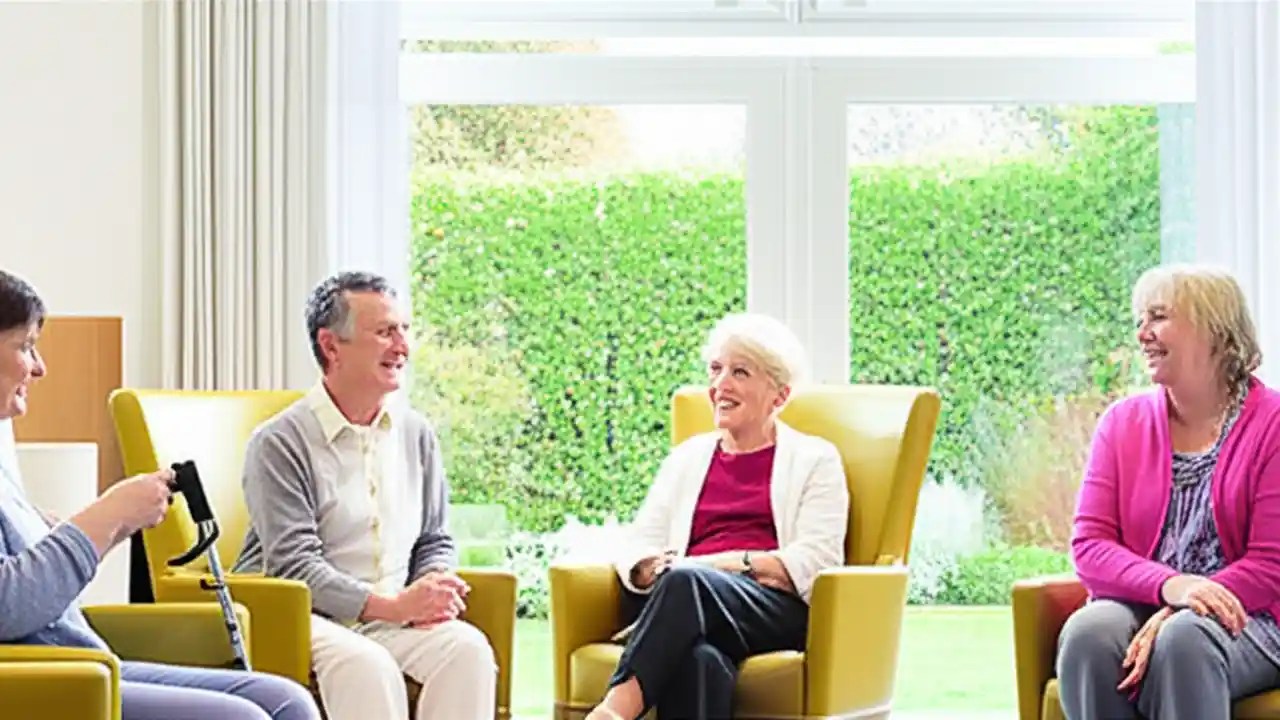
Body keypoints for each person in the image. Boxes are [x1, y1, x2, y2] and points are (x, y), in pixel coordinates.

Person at [0, 269, 319, 720]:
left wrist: (117, 521)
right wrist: (104, 515)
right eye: (25, 346)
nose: (39, 367)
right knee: (243, 718)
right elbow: (7, 606)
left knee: (287, 702)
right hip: (50, 676)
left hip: (84, 660)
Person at [233, 271, 496, 720]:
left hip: (392, 609)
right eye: (383, 332)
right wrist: (392, 607)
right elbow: (293, 566)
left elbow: (434, 537)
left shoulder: (415, 433)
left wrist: (430, 589)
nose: (402, 347)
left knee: (467, 650)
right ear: (331, 346)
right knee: (367, 666)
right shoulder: (279, 442)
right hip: (305, 618)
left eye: (404, 330)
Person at [586, 313, 850, 720]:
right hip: (683, 602)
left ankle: (613, 711)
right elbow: (640, 543)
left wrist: (722, 565)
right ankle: (667, 623)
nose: (719, 385)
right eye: (715, 369)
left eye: (739, 372)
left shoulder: (816, 459)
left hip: (770, 609)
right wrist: (648, 568)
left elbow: (818, 560)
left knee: (686, 581)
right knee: (699, 660)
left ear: (779, 396)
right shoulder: (686, 458)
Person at [1057, 264, 1280, 719]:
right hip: (1146, 600)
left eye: (1157, 317)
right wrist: (1172, 588)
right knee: (1090, 633)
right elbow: (1090, 546)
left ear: (1214, 331)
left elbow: (1270, 563)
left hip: (1252, 615)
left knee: (1186, 640)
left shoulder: (1274, 425)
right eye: (1139, 320)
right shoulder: (1122, 424)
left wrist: (1186, 606)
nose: (1142, 334)